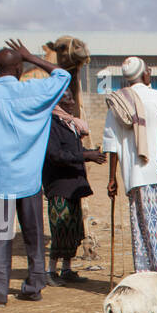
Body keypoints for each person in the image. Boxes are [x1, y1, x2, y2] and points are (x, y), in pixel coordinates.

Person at [0, 38, 72, 307]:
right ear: (19, 68)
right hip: (30, 181)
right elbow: (62, 75)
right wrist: (32, 56)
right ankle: (34, 287)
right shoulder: (34, 91)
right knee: (33, 237)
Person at [103, 56, 157, 274]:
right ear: (145, 74)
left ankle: (146, 275)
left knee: (142, 231)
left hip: (134, 176)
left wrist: (112, 178)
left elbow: (112, 144)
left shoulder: (117, 103)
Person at [42, 90, 105, 283]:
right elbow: (55, 155)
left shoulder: (69, 124)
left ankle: (66, 269)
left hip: (73, 185)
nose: (71, 102)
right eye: (66, 99)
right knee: (60, 229)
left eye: (71, 98)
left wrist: (90, 154)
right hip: (59, 185)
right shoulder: (50, 125)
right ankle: (51, 272)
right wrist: (86, 156)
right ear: (57, 103)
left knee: (74, 230)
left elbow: (72, 151)